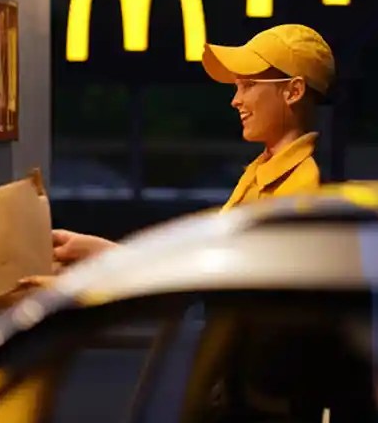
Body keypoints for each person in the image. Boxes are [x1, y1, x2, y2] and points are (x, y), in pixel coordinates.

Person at [47, 23, 335, 267]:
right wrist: (99, 256)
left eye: (248, 85)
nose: (236, 100)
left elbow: (234, 286)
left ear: (293, 91)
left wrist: (100, 264)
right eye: (237, 87)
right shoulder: (263, 172)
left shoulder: (300, 190)